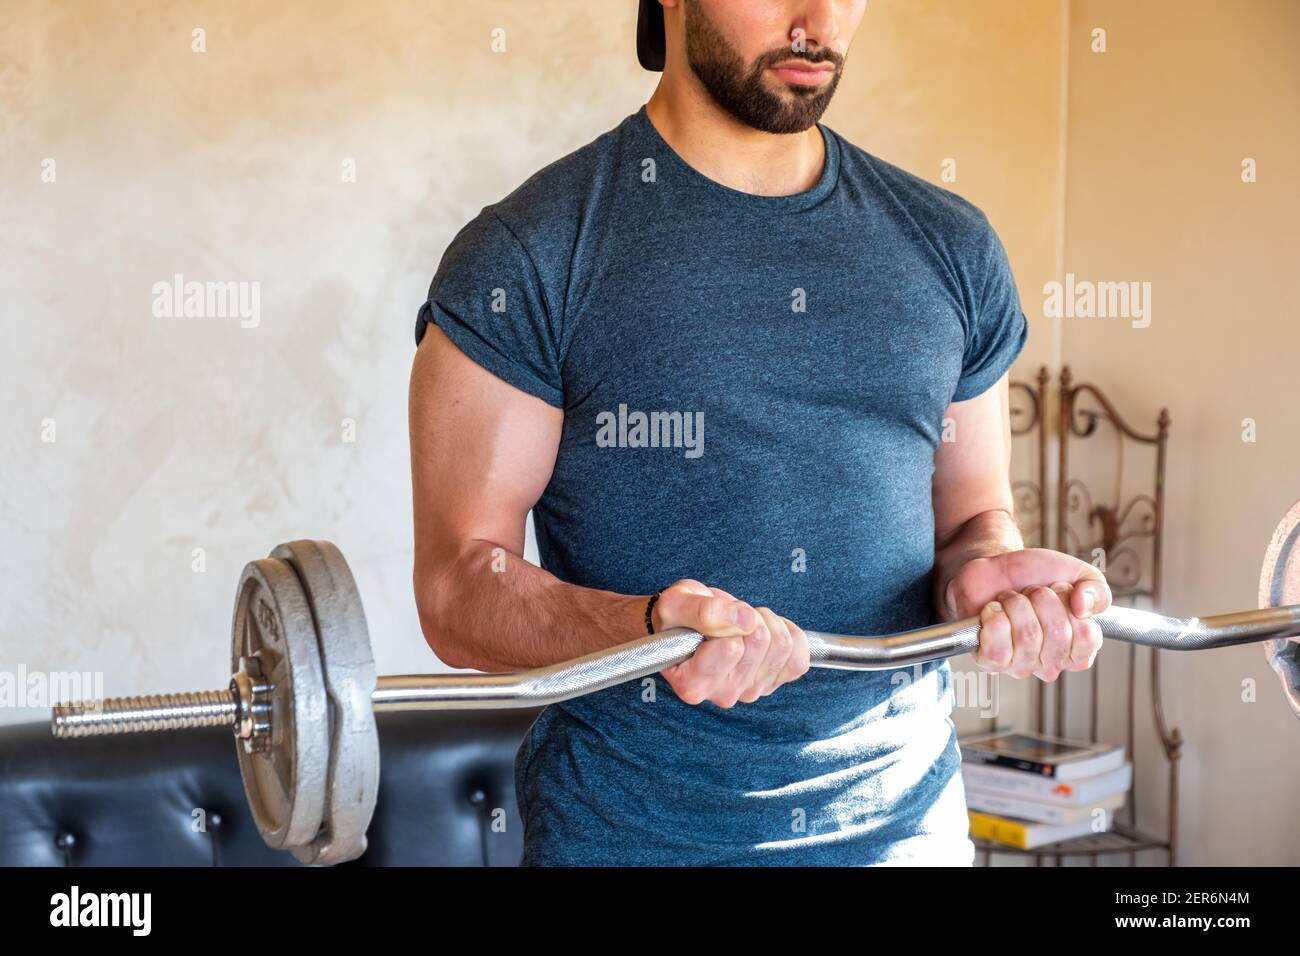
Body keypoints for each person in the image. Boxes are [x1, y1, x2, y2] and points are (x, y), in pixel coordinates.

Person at [407, 0, 1112, 865]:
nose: (816, 19)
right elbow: (456, 588)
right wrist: (650, 626)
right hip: (631, 839)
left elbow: (971, 524)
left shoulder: (951, 247)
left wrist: (987, 581)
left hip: (909, 832)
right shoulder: (529, 255)